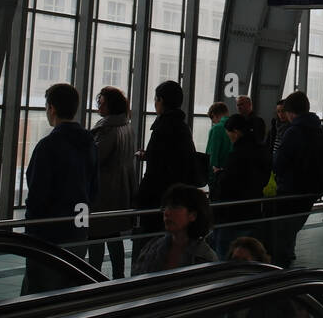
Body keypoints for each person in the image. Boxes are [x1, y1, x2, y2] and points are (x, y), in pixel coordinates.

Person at [130, 184, 221, 318]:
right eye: (166, 207)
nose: (167, 212)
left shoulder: (204, 260)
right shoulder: (154, 248)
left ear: (193, 216)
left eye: (175, 207)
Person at [24, 83, 99, 293]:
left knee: (39, 296)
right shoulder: (89, 144)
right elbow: (94, 190)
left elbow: (38, 194)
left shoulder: (48, 146)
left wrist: (32, 230)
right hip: (78, 231)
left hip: (49, 235)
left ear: (52, 108)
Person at [134, 81, 197, 263]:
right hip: (175, 198)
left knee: (151, 250)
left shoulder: (161, 128)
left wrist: (140, 197)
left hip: (159, 201)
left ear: (161, 100)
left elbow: (155, 171)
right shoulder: (183, 127)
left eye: (155, 99)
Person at [271, 91, 323, 268]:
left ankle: (279, 278)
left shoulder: (293, 132)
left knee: (279, 239)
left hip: (290, 192)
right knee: (289, 235)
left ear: (290, 112)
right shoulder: (320, 130)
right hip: (311, 193)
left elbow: (279, 164)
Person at [87, 86, 137, 279]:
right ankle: (118, 277)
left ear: (110, 104)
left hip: (103, 194)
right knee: (114, 236)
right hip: (121, 191)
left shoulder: (108, 129)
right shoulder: (127, 126)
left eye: (101, 100)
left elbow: (95, 158)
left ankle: (92, 277)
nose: (99, 103)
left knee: (96, 236)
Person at [212, 114, 271, 256]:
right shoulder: (261, 150)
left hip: (232, 213)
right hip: (253, 209)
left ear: (236, 132)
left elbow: (228, 183)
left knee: (225, 253)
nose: (230, 138)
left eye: (229, 135)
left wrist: (219, 174)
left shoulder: (237, 154)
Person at [205, 100, 232, 186]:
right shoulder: (236, 127)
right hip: (233, 176)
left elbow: (212, 155)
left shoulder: (217, 128)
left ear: (214, 115)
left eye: (212, 120)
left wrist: (210, 179)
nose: (213, 123)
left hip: (218, 178)